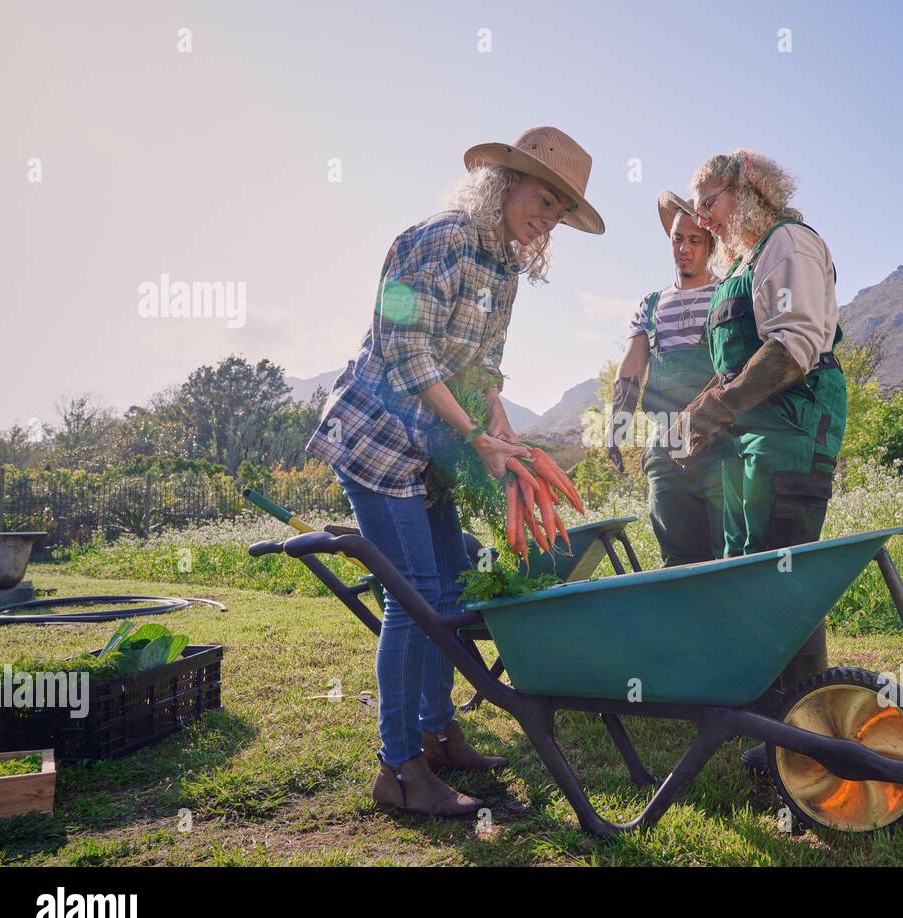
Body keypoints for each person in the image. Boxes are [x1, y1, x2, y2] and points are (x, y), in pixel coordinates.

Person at [306, 128, 605, 815]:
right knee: (412, 596)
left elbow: (481, 365)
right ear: (505, 184)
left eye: (560, 209)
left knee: (446, 593)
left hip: (434, 447)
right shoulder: (440, 237)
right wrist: (473, 433)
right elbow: (405, 349)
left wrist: (499, 427)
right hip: (380, 440)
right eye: (543, 197)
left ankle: (438, 733)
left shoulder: (505, 266)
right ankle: (398, 767)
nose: (548, 216)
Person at [676, 149, 847, 772]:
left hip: (793, 426)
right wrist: (702, 410)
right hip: (752, 436)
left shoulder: (789, 244)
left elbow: (792, 349)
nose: (704, 217)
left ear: (747, 191)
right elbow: (733, 366)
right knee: (755, 570)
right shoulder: (743, 265)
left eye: (710, 201)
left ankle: (811, 735)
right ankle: (784, 725)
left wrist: (714, 409)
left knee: (782, 577)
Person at [607, 191, 724, 566]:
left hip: (721, 441)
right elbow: (631, 366)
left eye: (694, 240)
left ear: (710, 245)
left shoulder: (726, 294)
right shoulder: (651, 304)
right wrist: (617, 422)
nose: (683, 248)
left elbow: (736, 364)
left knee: (728, 555)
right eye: (677, 238)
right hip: (666, 446)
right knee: (678, 557)